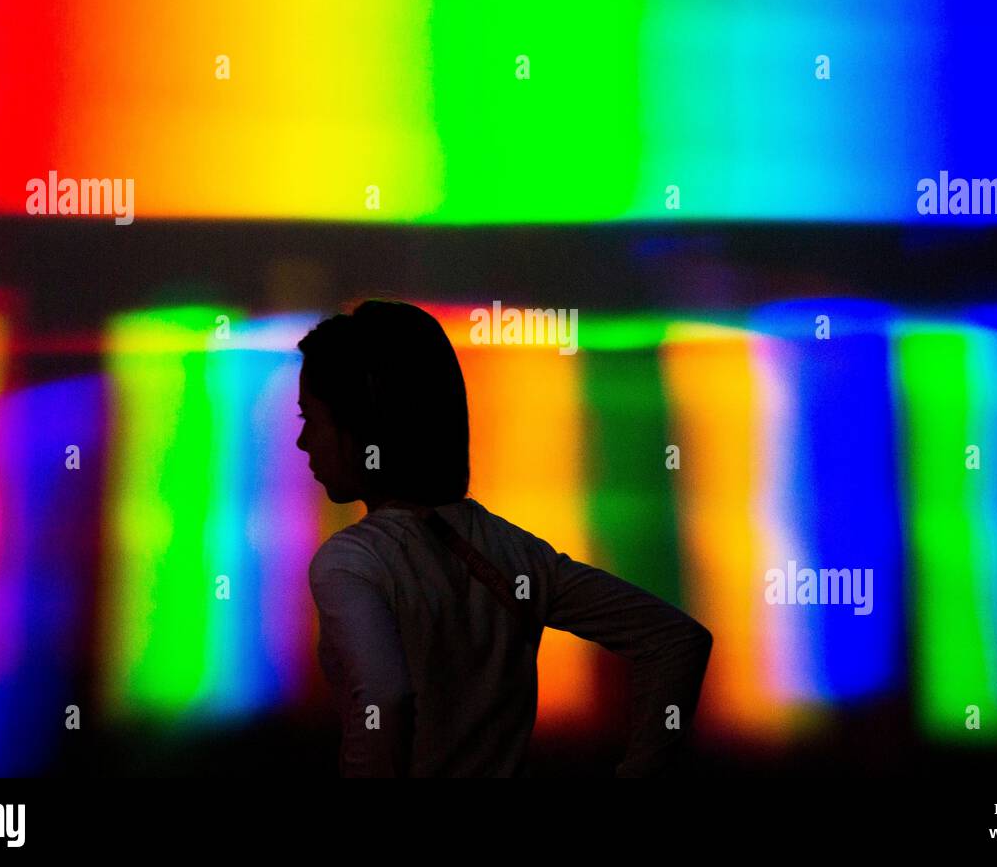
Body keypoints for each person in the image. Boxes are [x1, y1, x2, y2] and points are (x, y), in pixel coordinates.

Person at [299, 299, 713, 777]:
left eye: (310, 418)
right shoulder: (516, 554)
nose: (303, 440)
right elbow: (676, 640)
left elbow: (385, 700)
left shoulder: (349, 562)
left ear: (360, 424)